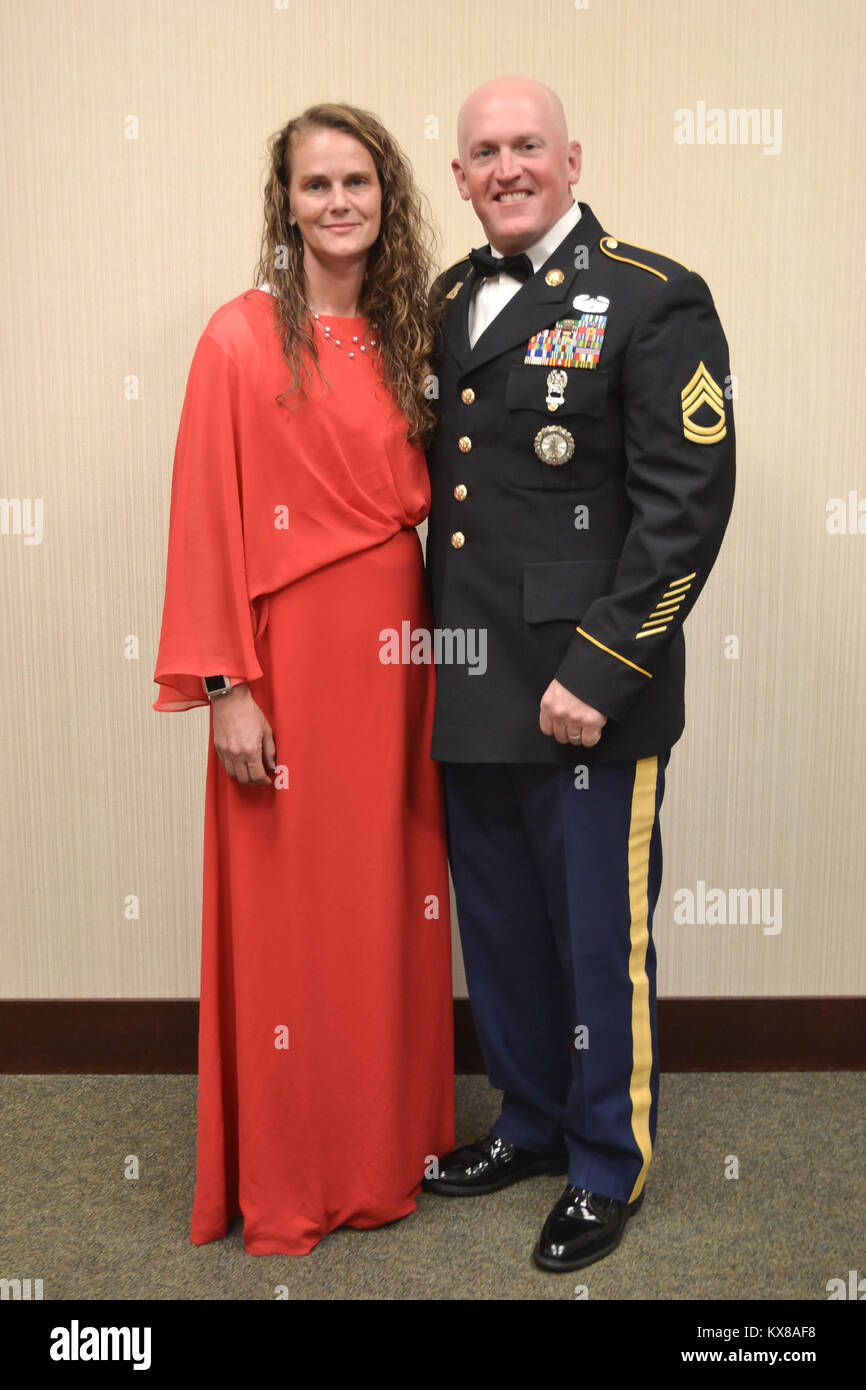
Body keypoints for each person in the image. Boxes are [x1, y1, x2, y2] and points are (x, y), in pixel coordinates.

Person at [422, 76, 735, 1272]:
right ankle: (532, 1121)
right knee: (500, 930)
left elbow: (683, 506)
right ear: (457, 175)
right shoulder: (449, 299)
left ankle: (608, 1160)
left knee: (598, 939)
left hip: (585, 692)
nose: (504, 168)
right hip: (472, 680)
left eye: (526, 147)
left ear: (570, 158)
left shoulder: (652, 297)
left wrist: (601, 671)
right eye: (482, 151)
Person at [152, 103, 454, 1257]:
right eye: (315, 184)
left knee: (390, 895)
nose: (338, 202)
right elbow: (204, 522)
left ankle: (388, 1150)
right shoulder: (237, 337)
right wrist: (226, 681)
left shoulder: (413, 337)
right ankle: (293, 1169)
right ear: (284, 202)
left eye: (358, 182)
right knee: (294, 913)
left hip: (399, 656)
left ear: (389, 198)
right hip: (287, 663)